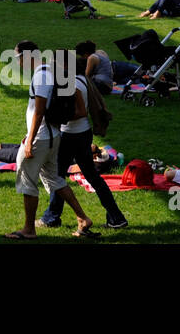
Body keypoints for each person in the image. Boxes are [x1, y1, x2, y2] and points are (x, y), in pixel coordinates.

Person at [4, 41, 98, 239]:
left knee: (27, 179)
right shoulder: (50, 71)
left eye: (18, 58)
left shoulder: (41, 76)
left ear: (28, 56)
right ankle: (83, 218)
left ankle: (29, 230)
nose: (18, 62)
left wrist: (30, 140)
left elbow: (40, 111)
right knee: (54, 179)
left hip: (41, 138)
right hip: (52, 134)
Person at [38, 55, 128, 230]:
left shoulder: (74, 84)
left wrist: (56, 118)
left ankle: (51, 218)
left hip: (71, 136)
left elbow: (80, 112)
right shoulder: (81, 80)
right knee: (90, 177)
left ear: (67, 65)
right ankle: (117, 218)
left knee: (57, 177)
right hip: (81, 134)